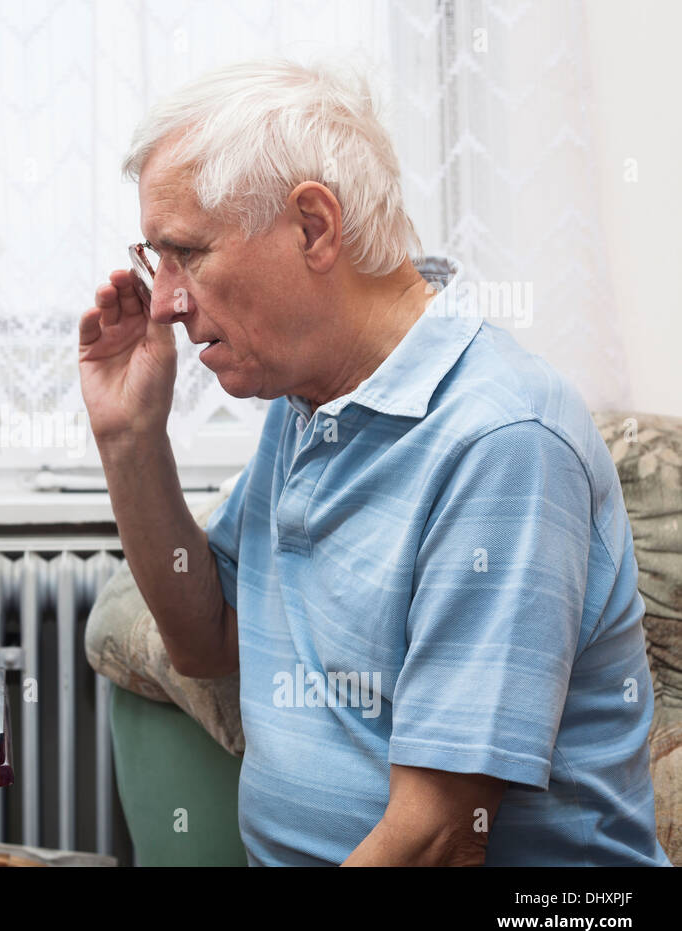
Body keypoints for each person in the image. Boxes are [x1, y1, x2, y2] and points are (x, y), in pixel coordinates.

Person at [78, 58, 671, 865]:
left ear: (314, 227)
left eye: (186, 254)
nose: (164, 303)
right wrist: (130, 439)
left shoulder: (502, 439)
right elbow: (207, 641)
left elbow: (439, 836)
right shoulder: (310, 399)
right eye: (156, 261)